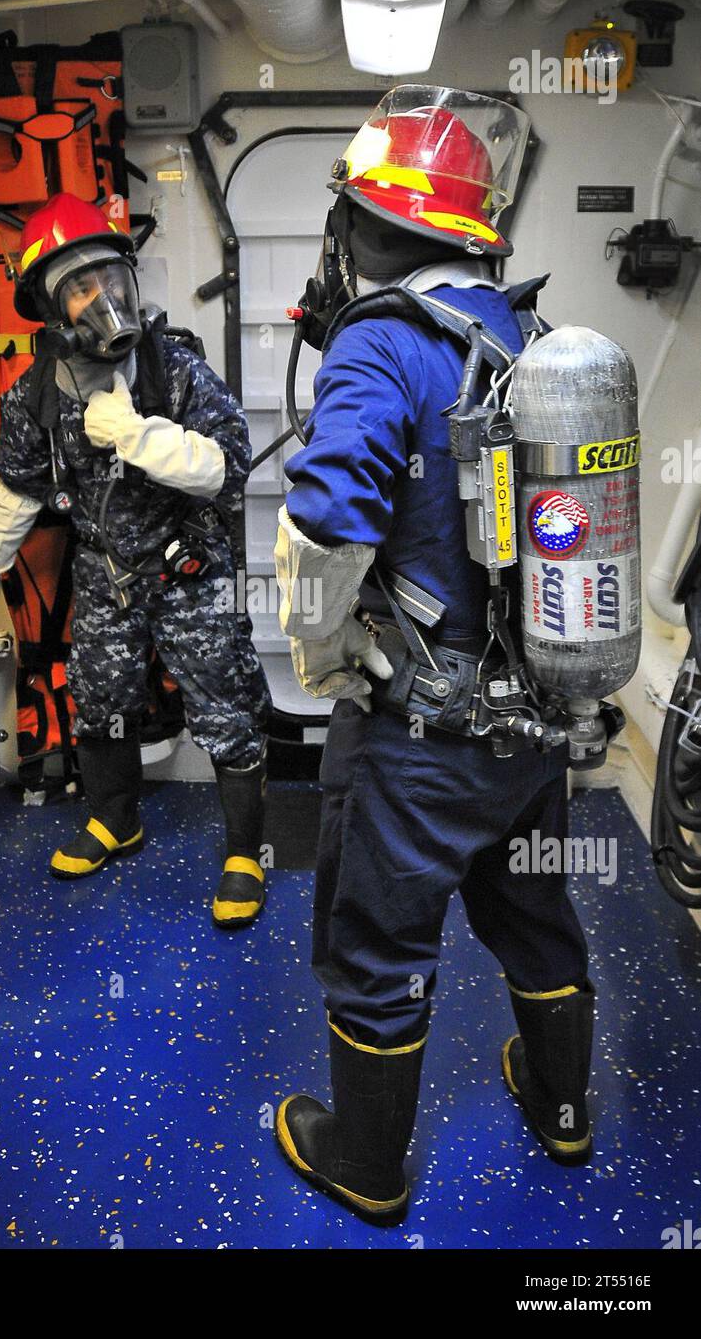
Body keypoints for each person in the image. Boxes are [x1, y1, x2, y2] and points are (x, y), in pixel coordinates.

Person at [272, 86, 594, 1222]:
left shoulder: (378, 341)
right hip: (538, 721)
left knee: (377, 944)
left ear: (357, 229)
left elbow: (324, 523)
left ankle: (363, 1166)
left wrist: (317, 655)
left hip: (416, 736)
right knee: (538, 910)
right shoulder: (534, 334)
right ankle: (564, 1112)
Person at [0, 193, 272, 928]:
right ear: (56, 307)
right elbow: (15, 492)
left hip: (190, 569)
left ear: (131, 278)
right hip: (105, 576)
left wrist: (136, 434)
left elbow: (228, 467)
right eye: (80, 287)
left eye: (110, 279)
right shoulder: (38, 394)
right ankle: (114, 821)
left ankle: (246, 852)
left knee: (224, 705)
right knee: (100, 700)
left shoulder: (175, 368)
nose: (102, 299)